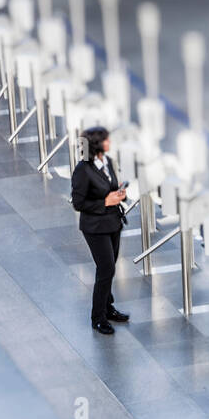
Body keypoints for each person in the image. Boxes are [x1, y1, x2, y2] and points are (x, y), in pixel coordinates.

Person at [71, 126, 130, 334]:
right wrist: (104, 201)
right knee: (106, 269)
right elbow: (78, 202)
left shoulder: (107, 162)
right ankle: (98, 316)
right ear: (97, 143)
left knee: (110, 266)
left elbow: (110, 186)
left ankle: (108, 307)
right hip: (95, 227)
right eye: (106, 139)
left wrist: (118, 193)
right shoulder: (82, 169)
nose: (109, 142)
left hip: (113, 222)